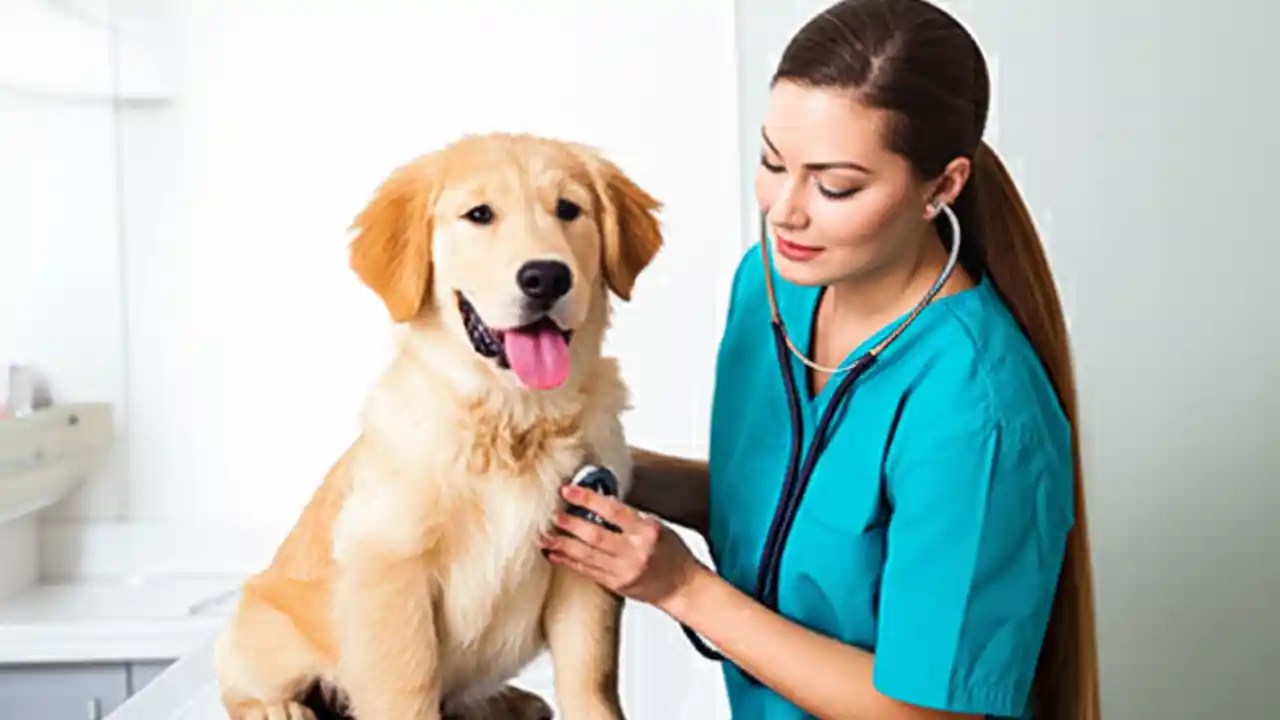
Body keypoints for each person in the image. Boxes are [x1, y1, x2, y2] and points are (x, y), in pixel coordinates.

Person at [537, 0, 1100, 718]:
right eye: (774, 162)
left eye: (836, 186)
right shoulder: (768, 287)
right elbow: (788, 510)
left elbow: (927, 713)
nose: (785, 210)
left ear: (943, 186)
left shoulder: (978, 412)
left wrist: (681, 587)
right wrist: (605, 467)